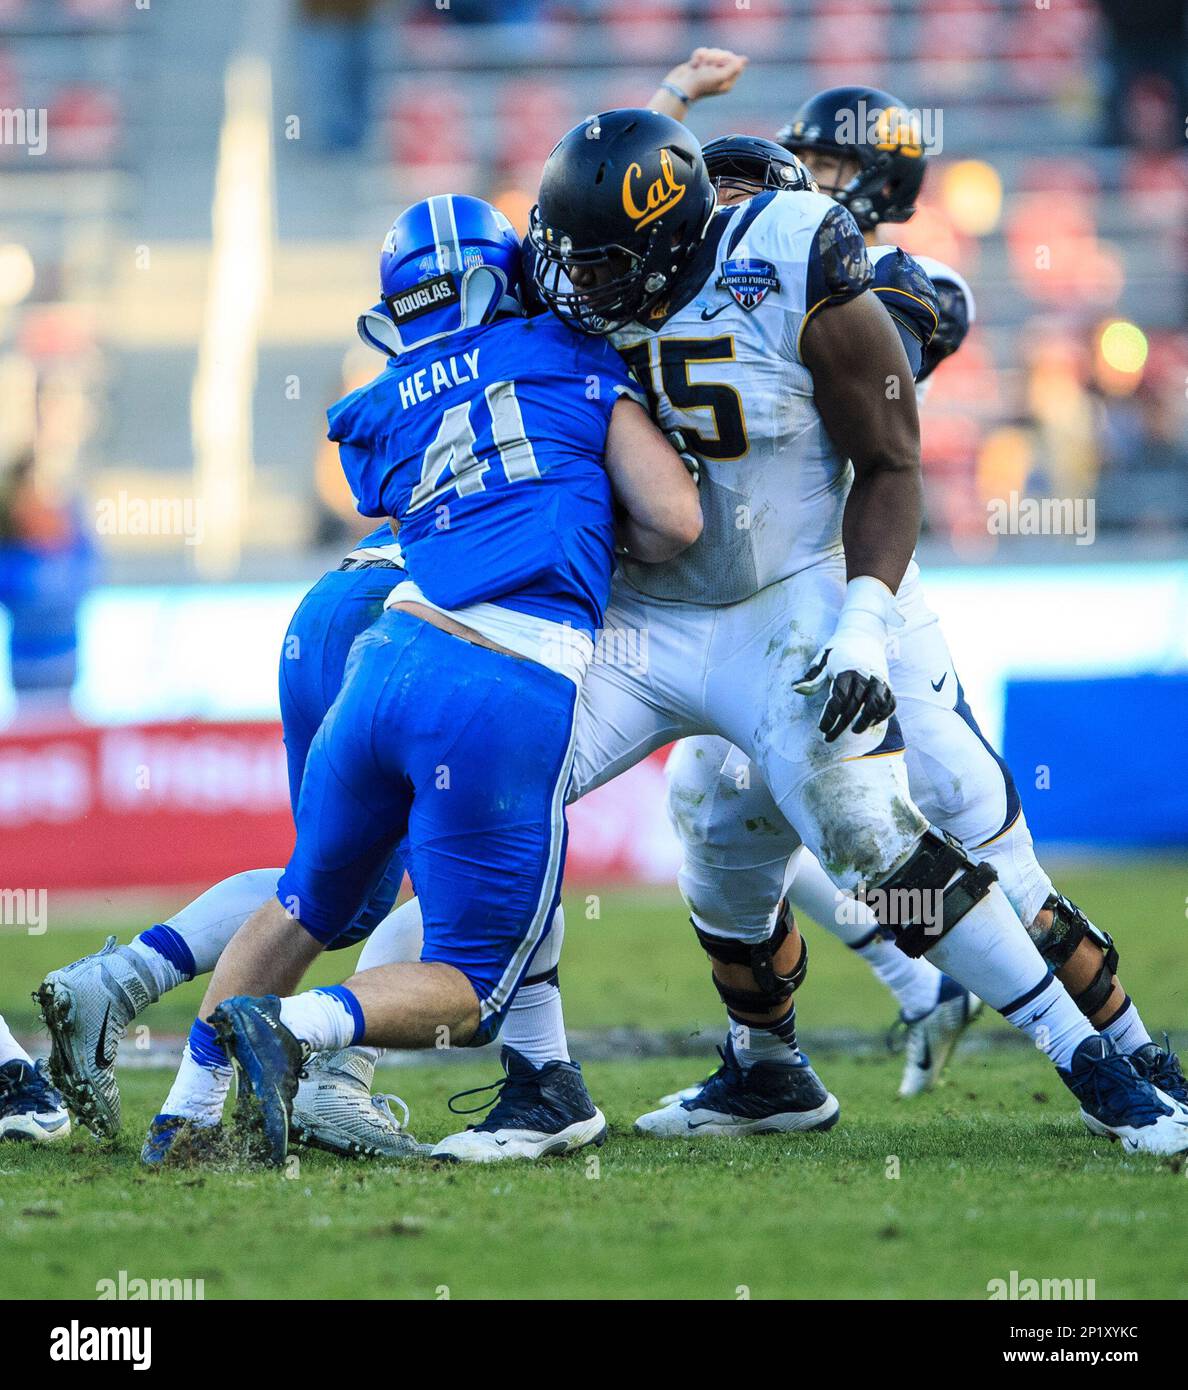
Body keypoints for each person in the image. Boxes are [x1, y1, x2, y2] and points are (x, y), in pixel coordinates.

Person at [151, 193, 701, 1166]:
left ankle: (186, 1113)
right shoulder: (566, 355)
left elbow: (407, 475)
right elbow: (675, 521)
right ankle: (297, 1031)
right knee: (471, 985)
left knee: (302, 903)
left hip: (384, 661)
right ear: (506, 277)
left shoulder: (381, 398)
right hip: (502, 680)